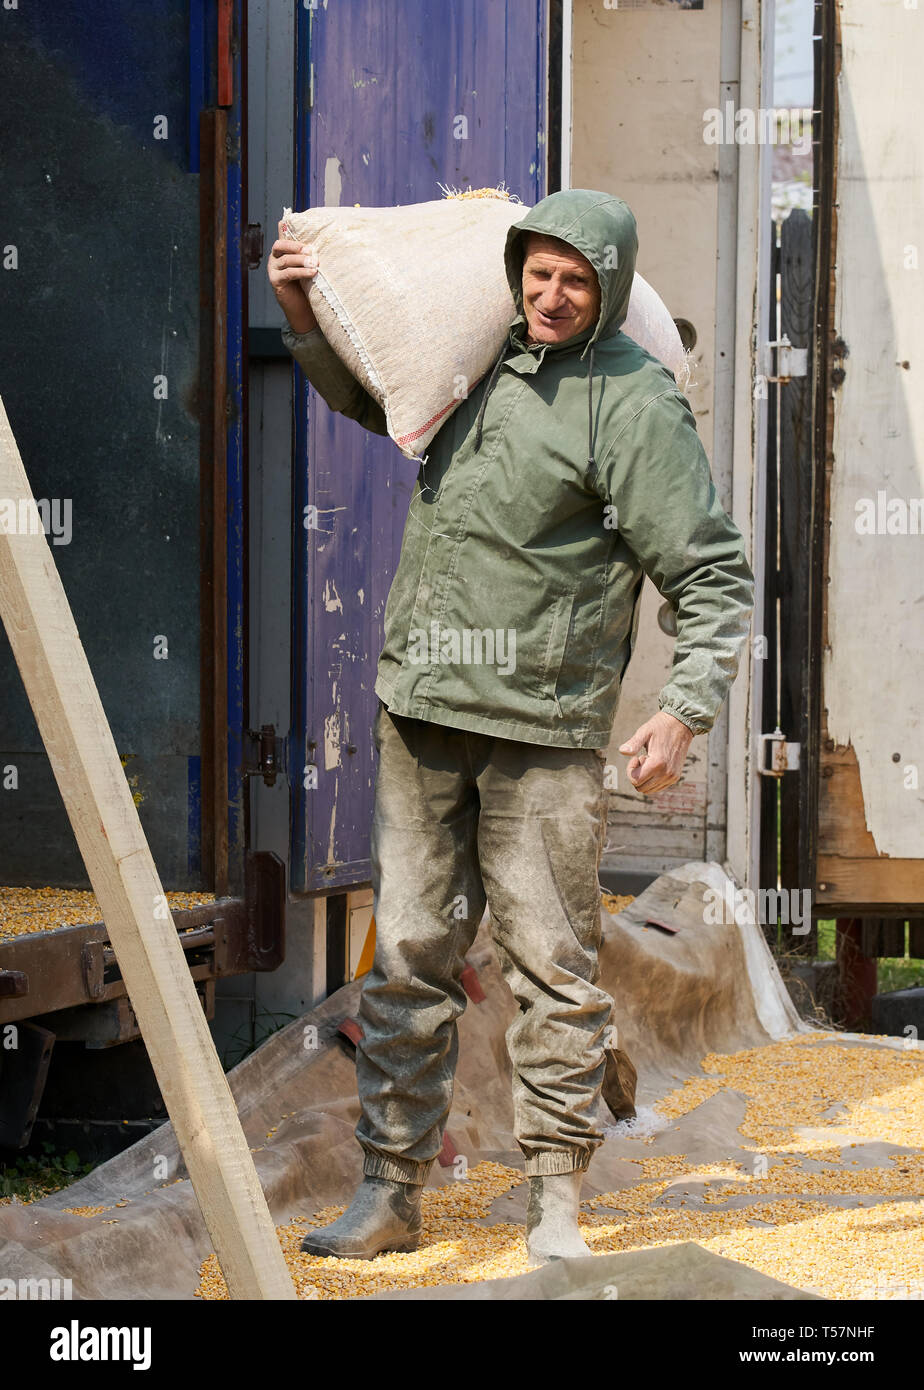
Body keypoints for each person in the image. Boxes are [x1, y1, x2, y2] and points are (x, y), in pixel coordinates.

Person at [267, 189, 755, 1264]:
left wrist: (683, 710)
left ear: (610, 289)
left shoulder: (635, 406)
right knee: (406, 960)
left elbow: (713, 578)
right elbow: (374, 402)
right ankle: (389, 1192)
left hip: (542, 731)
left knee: (551, 970)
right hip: (423, 712)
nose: (550, 294)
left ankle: (554, 1207)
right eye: (537, 273)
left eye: (575, 280)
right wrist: (302, 321)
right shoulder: (480, 358)